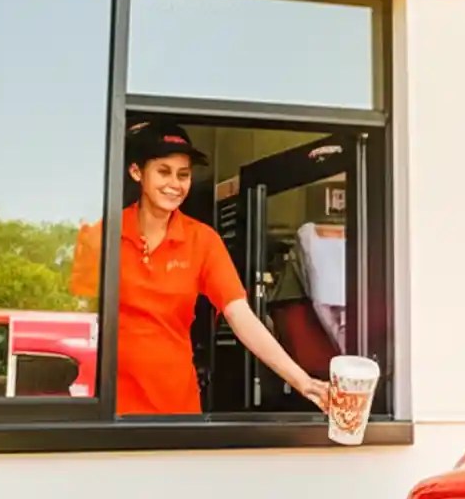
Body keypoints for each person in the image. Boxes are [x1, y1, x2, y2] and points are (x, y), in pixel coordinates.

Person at [70, 120, 330, 416]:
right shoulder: (100, 236)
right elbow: (79, 321)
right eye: (163, 172)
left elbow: (240, 314)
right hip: (107, 407)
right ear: (136, 172)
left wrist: (302, 380)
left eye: (183, 175)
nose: (174, 184)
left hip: (174, 408)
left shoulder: (203, 241)